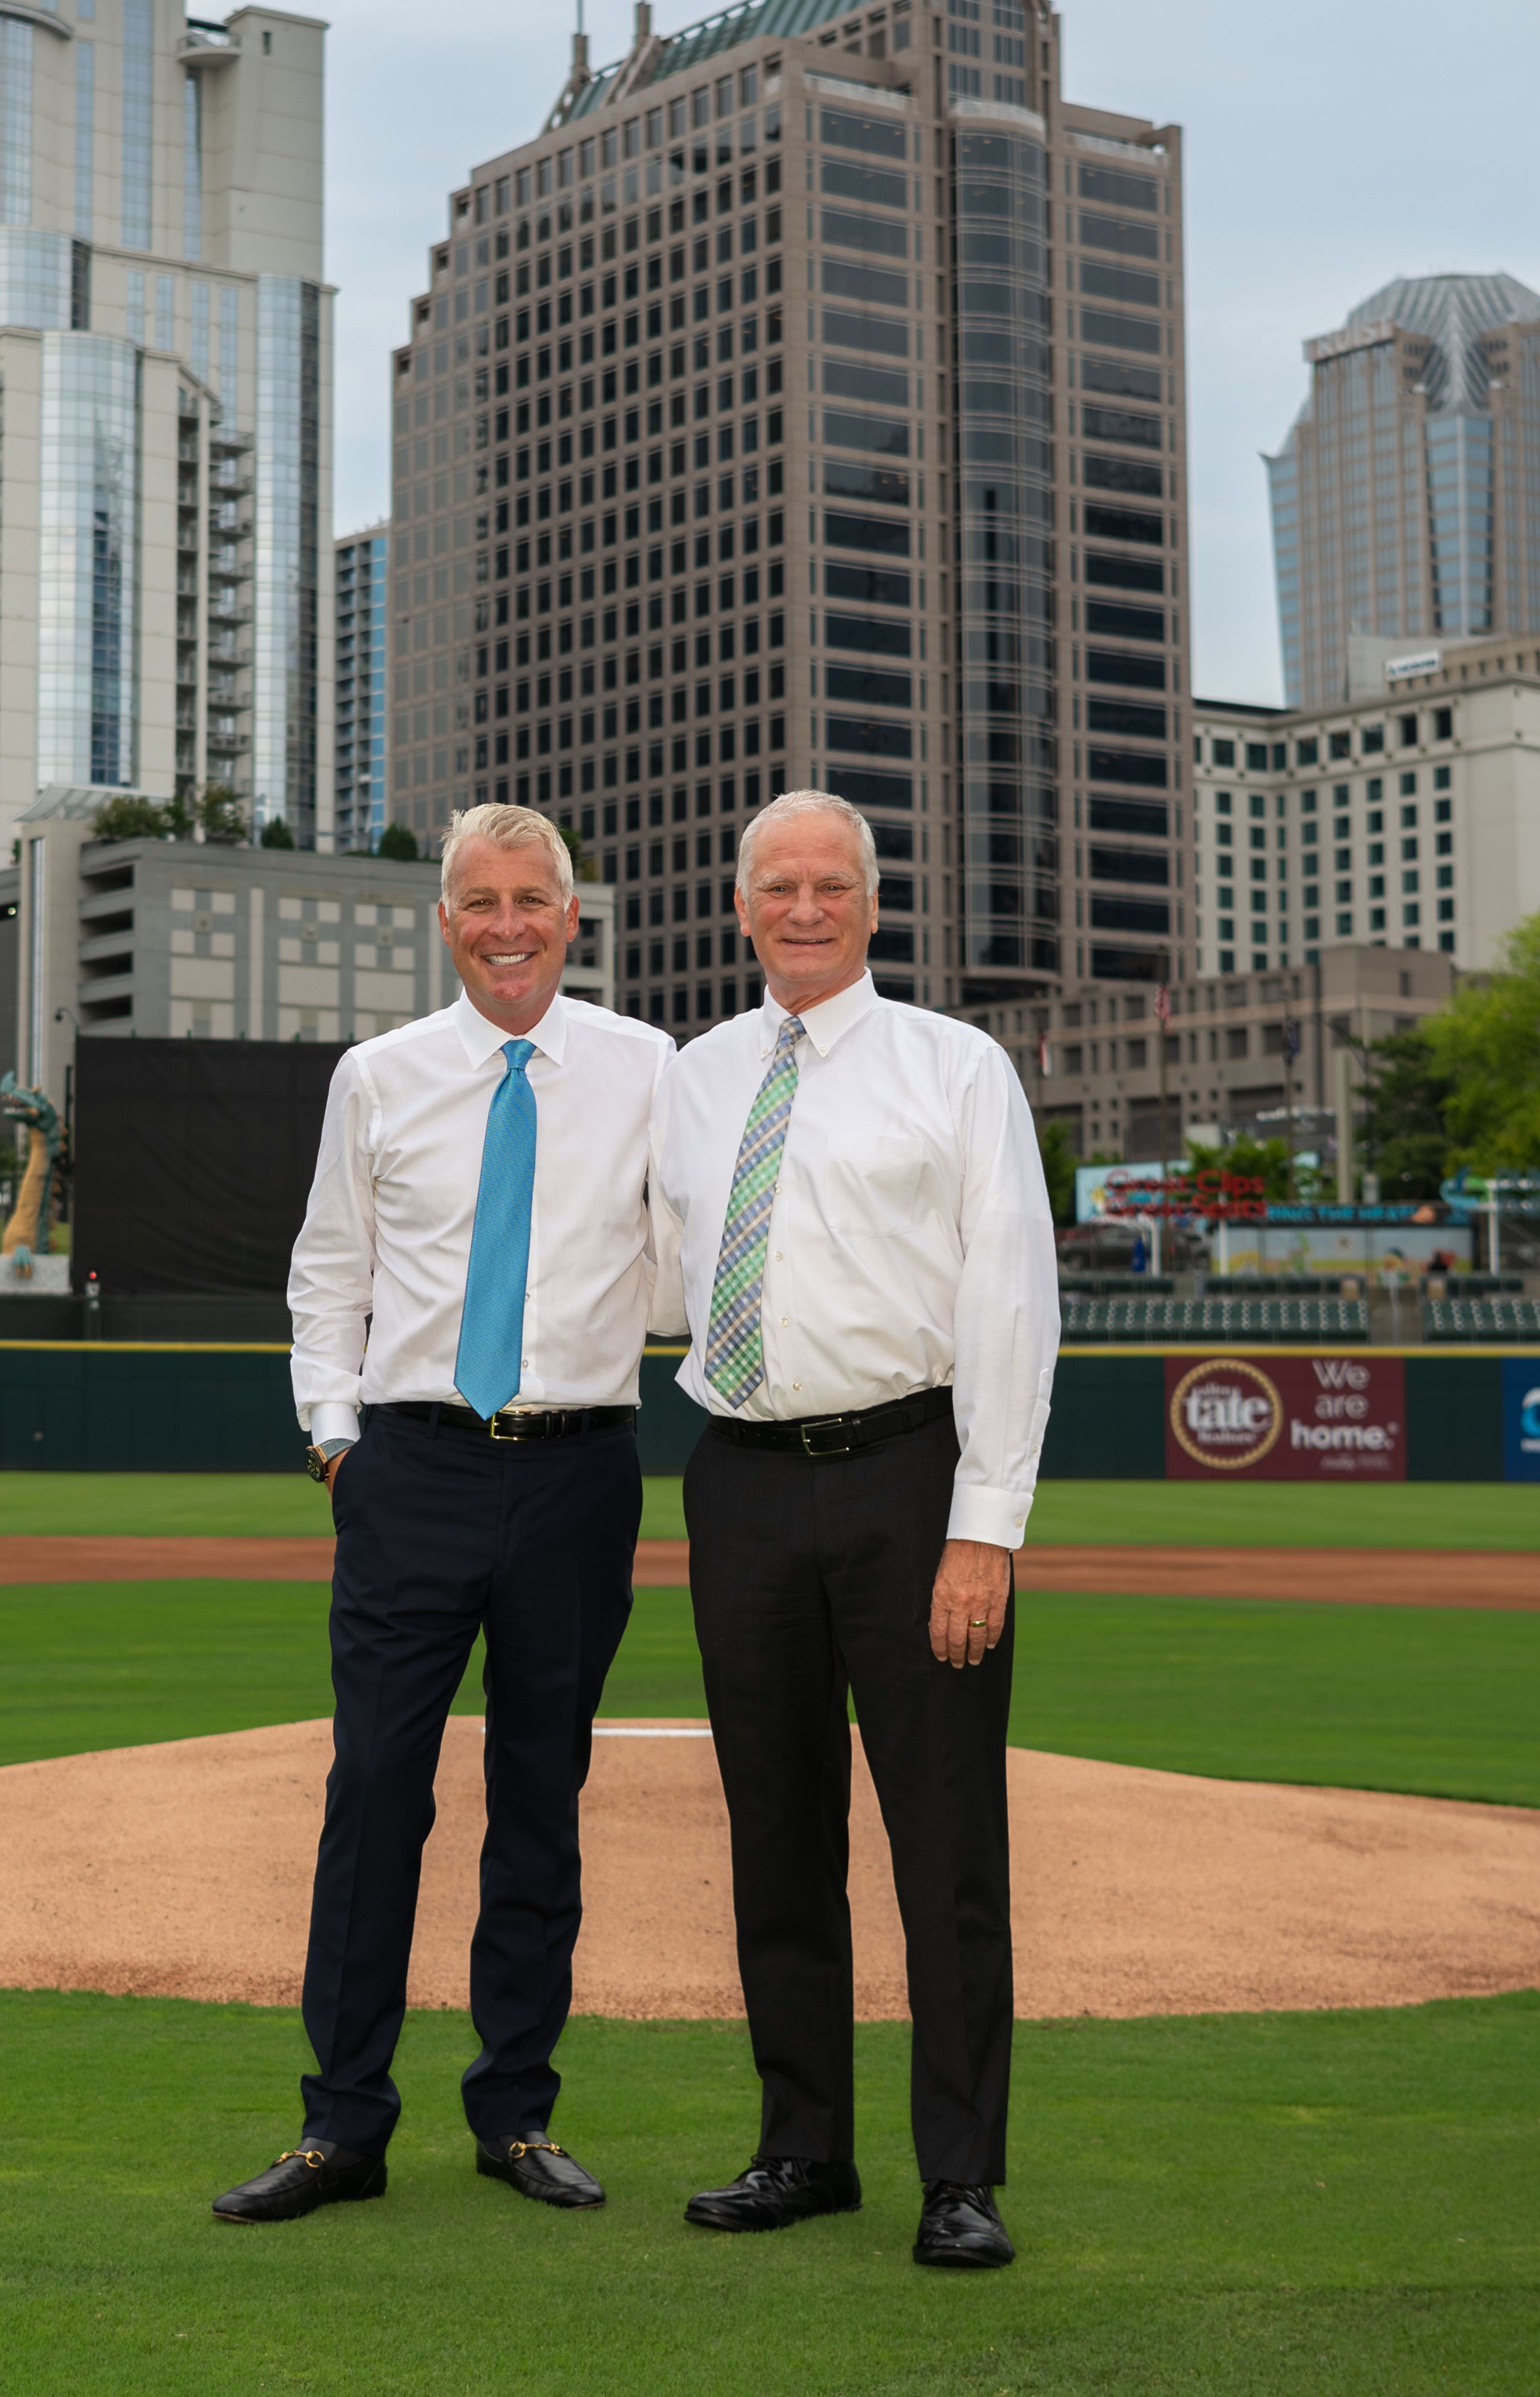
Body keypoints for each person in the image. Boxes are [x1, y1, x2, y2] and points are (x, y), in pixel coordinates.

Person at [215, 804, 676, 2227]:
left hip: (581, 1468)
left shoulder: (652, 1069)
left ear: (572, 915)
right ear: (444, 922)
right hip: (409, 1469)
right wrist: (336, 1443)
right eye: (478, 900)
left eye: (530, 897)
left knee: (541, 1802)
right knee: (374, 1796)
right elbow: (325, 1269)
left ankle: (516, 2114)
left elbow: (703, 1242)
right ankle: (340, 2124)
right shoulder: (380, 1074)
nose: (506, 925)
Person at [655, 788, 1059, 2272]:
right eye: (779, 883)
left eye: (832, 883)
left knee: (945, 1840)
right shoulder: (690, 1079)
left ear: (874, 905)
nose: (805, 906)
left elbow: (1011, 1295)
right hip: (741, 1477)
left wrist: (984, 1525)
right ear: (741, 904)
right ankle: (800, 2146)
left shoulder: (956, 1069)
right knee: (776, 1829)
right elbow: (653, 1269)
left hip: (909, 1473)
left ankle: (957, 2171)